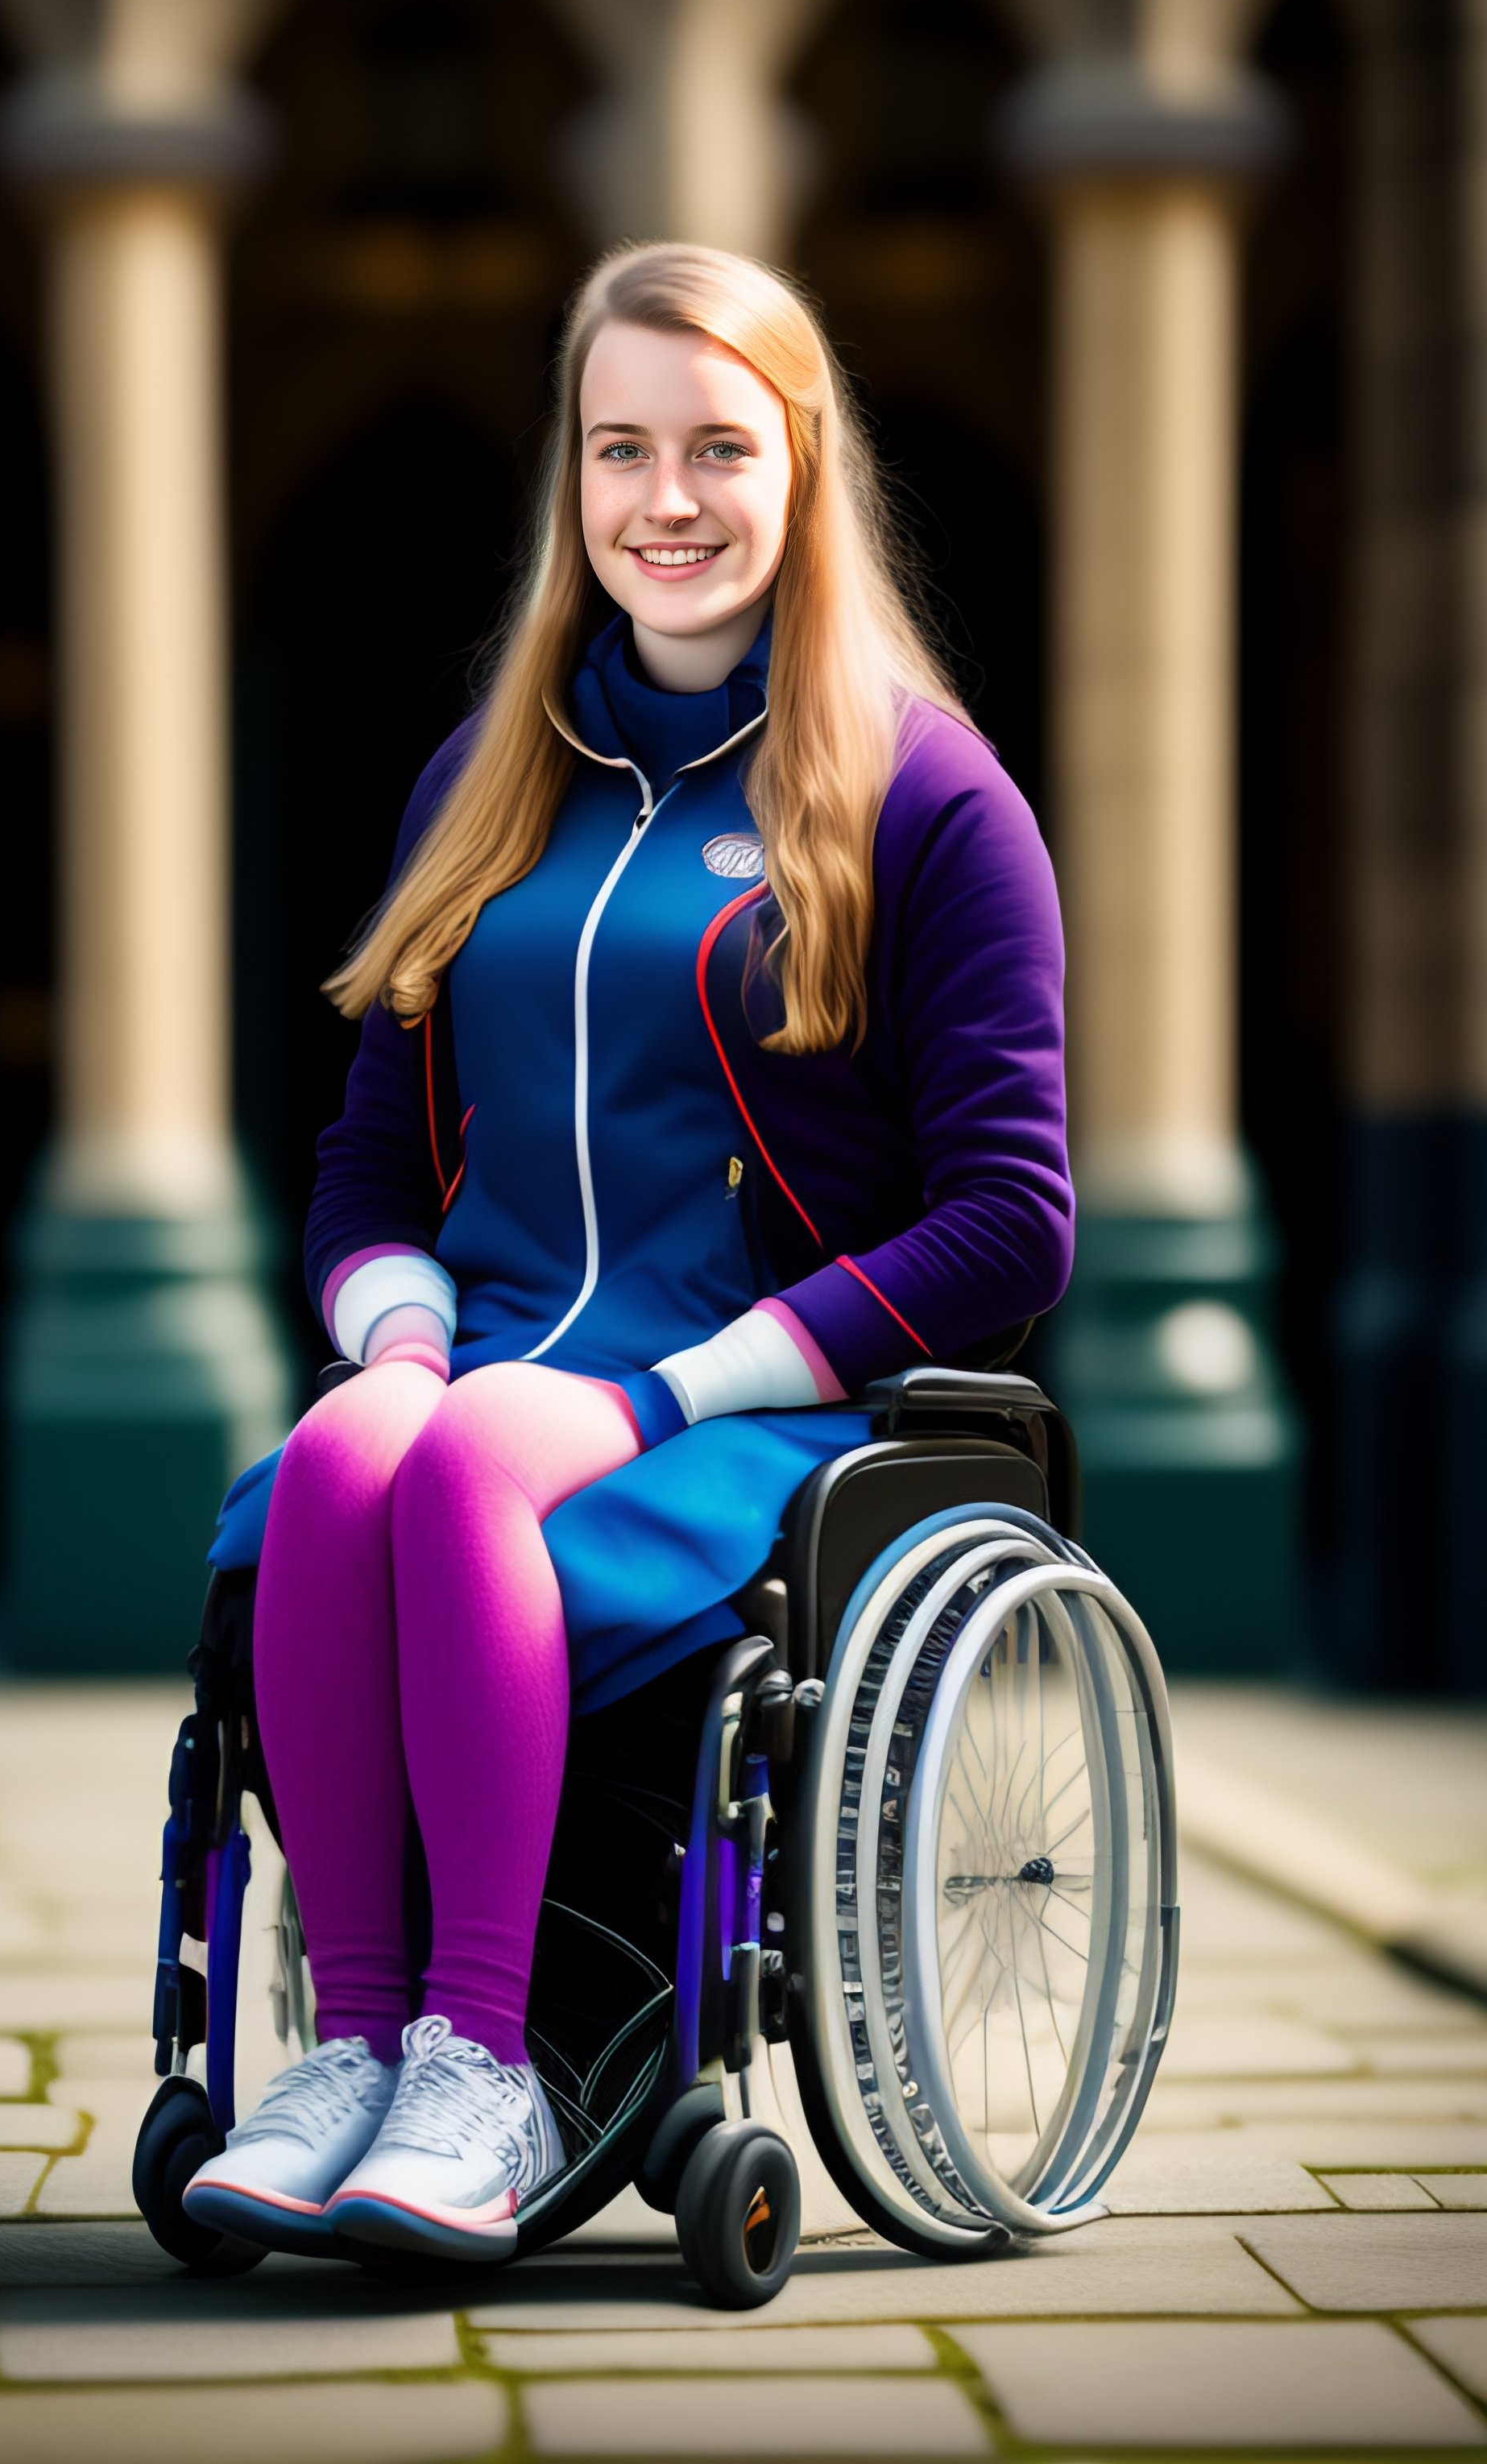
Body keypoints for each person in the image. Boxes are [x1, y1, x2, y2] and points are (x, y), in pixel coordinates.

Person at [184, 241, 1073, 2263]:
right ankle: (361, 2053)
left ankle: (482, 2075)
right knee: (335, 1454)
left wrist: (672, 1384)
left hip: (744, 1406)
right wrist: (396, 1336)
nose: (664, 499)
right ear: (570, 484)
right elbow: (363, 1169)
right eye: (618, 450)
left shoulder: (927, 798)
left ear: (800, 467)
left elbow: (1012, 1218)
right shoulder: (488, 783)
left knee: (480, 1454)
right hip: (485, 1380)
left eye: (714, 449)